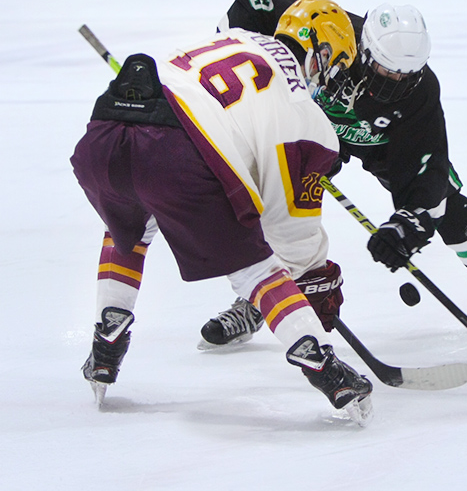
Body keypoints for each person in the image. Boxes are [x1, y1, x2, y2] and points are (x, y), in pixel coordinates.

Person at [201, 0, 467, 347]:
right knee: (275, 209)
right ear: (364, 49)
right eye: (384, 70)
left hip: (383, 142)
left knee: (452, 212)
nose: (394, 82)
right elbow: (253, 5)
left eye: (405, 75)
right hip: (312, 127)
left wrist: (406, 227)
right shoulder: (322, 27)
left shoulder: (419, 92)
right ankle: (259, 299)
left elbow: (429, 170)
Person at [71, 25, 373, 424]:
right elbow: (289, 233)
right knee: (257, 271)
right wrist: (312, 279)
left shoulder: (238, 36)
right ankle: (321, 362)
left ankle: (108, 334)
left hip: (103, 134)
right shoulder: (304, 111)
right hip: (175, 155)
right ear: (321, 58)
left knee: (128, 228)